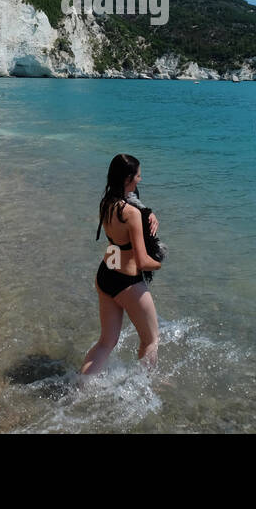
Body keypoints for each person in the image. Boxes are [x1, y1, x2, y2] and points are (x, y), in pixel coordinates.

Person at [81, 154, 162, 375]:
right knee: (151, 339)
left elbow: (130, 202)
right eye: (138, 175)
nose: (140, 179)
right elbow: (143, 261)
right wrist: (160, 262)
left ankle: (78, 387)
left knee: (106, 343)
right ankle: (147, 385)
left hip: (106, 274)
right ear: (128, 178)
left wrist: (149, 213)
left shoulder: (107, 202)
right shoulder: (131, 214)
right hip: (127, 282)